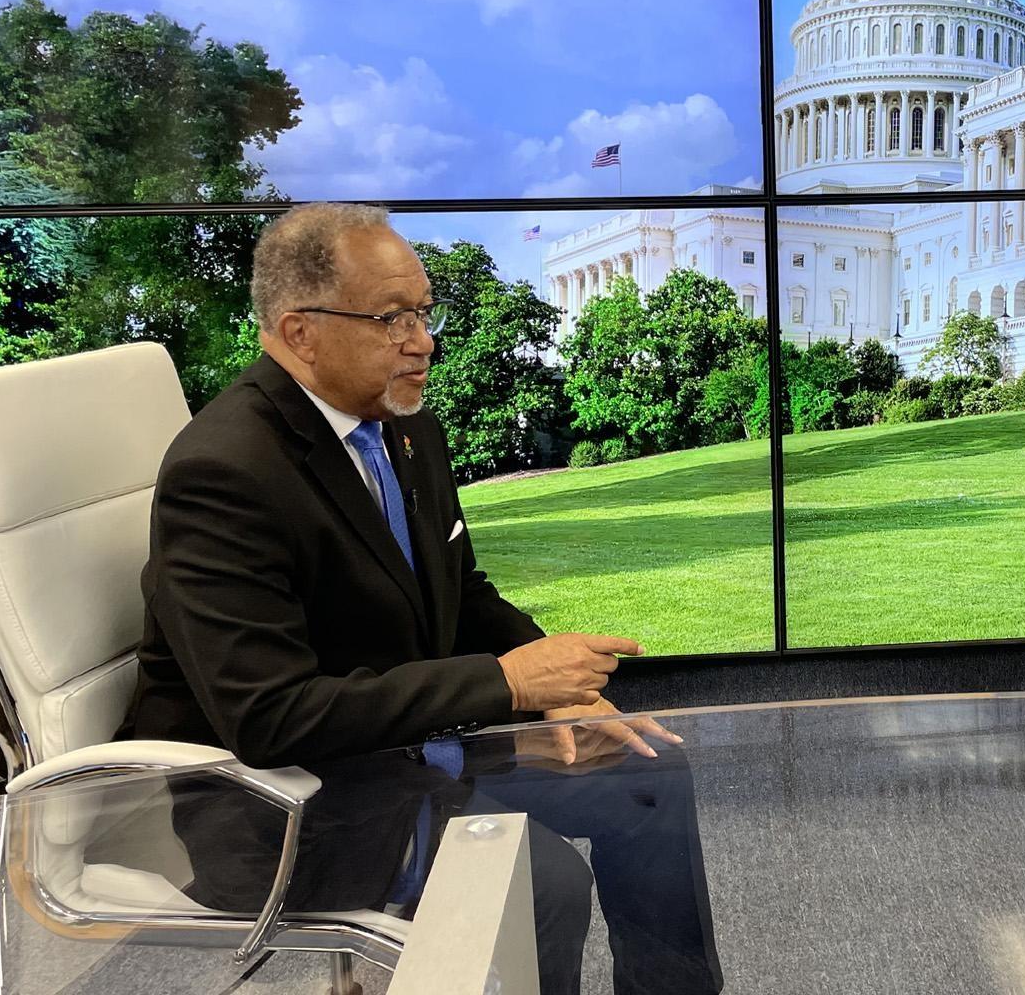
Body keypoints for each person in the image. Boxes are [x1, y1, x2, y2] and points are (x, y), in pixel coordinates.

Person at [118, 202, 720, 994]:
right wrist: (507, 683)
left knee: (646, 778)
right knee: (539, 887)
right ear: (300, 333)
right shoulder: (224, 475)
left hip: (414, 746)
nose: (424, 342)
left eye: (425, 314)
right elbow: (271, 716)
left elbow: (459, 590)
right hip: (289, 801)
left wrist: (561, 695)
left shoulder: (405, 426)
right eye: (392, 318)